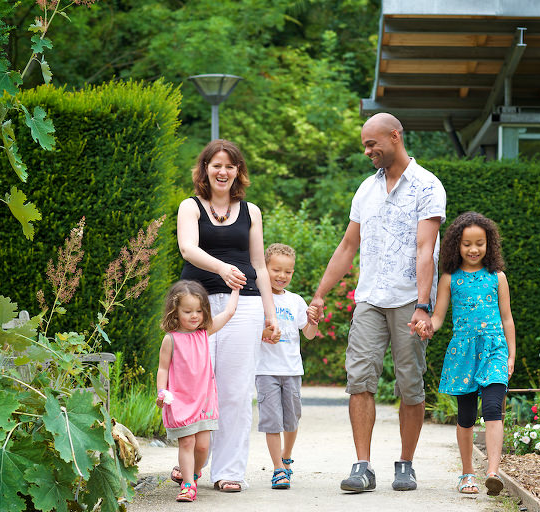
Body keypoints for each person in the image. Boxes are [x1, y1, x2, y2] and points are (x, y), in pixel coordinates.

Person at [308, 112, 446, 493]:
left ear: (395, 136)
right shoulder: (365, 190)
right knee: (359, 380)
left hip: (408, 301)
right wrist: (320, 294)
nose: (368, 151)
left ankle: (406, 465)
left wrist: (423, 304)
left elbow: (425, 248)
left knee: (410, 385)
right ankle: (362, 467)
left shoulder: (427, 186)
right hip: (369, 299)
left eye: (372, 144)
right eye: (365, 145)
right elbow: (348, 246)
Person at [176, 139, 280, 492]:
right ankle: (191, 465)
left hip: (245, 304)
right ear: (205, 168)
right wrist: (222, 268)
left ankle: (229, 471)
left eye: (230, 166)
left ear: (238, 172)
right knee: (195, 386)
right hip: (195, 304)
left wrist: (272, 315)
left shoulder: (251, 211)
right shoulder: (190, 207)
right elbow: (188, 248)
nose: (223, 172)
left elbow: (260, 266)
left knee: (235, 391)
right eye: (216, 165)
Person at [412, 211, 516, 496]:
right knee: (467, 415)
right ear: (457, 245)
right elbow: (439, 318)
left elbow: (507, 319)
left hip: (494, 349)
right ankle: (467, 473)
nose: (473, 249)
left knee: (494, 409)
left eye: (479, 243)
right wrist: (426, 326)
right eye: (467, 243)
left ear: (488, 244)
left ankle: (493, 472)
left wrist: (511, 356)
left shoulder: (498, 277)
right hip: (463, 353)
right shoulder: (449, 278)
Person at [156, 280, 240, 502]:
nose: (194, 316)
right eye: (188, 311)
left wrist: (236, 288)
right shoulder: (170, 339)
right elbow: (163, 368)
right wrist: (161, 392)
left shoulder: (204, 333)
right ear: (175, 312)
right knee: (187, 443)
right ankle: (188, 485)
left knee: (202, 447)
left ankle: (193, 473)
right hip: (181, 400)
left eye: (199, 311)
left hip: (203, 400)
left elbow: (230, 312)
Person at [256, 243, 319, 490]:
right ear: (265, 268)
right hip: (265, 370)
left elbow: (310, 334)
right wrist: (262, 333)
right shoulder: (259, 298)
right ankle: (278, 469)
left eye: (288, 272)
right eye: (276, 270)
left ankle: (286, 456)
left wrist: (314, 320)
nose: (282, 276)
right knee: (272, 420)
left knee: (292, 419)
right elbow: (251, 331)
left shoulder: (296, 300)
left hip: (292, 370)